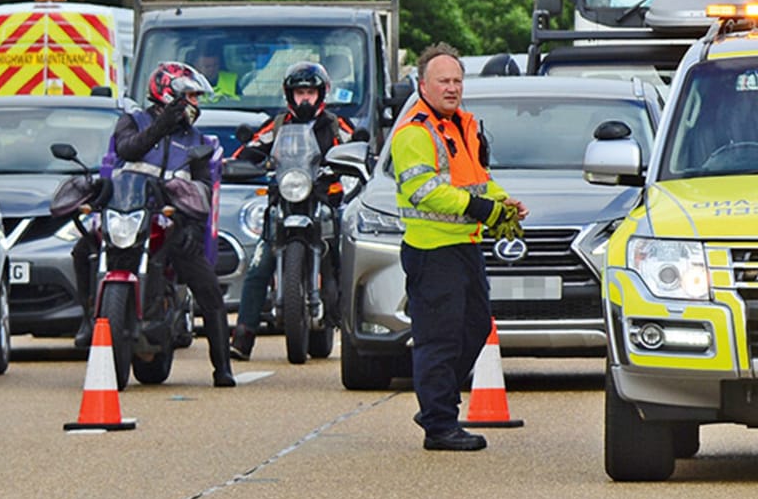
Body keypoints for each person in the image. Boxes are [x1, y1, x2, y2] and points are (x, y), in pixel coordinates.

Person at [391, 42, 526, 451]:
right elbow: (425, 191)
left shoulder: (460, 124)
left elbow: (476, 179)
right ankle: (439, 425)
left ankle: (436, 405)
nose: (452, 88)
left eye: (457, 80)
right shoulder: (415, 131)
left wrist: (504, 203)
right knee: (440, 338)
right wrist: (482, 208)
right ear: (423, 85)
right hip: (432, 251)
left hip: (464, 246)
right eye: (443, 81)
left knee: (474, 328)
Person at [112, 62, 237, 387]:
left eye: (196, 97)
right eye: (190, 97)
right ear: (170, 95)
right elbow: (125, 151)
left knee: (207, 286)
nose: (195, 104)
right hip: (130, 217)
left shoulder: (196, 140)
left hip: (171, 224)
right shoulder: (132, 122)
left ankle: (222, 366)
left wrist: (191, 229)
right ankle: (88, 324)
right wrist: (160, 127)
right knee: (82, 250)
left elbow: (203, 189)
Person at [229, 60, 360, 361]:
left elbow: (360, 150)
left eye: (310, 92)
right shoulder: (277, 125)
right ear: (289, 95)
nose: (304, 98)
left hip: (326, 199)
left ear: (321, 94)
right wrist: (245, 161)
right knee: (259, 264)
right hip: (284, 202)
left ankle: (354, 331)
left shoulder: (337, 126)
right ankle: (243, 336)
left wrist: (350, 161)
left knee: (346, 258)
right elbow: (246, 152)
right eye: (299, 92)